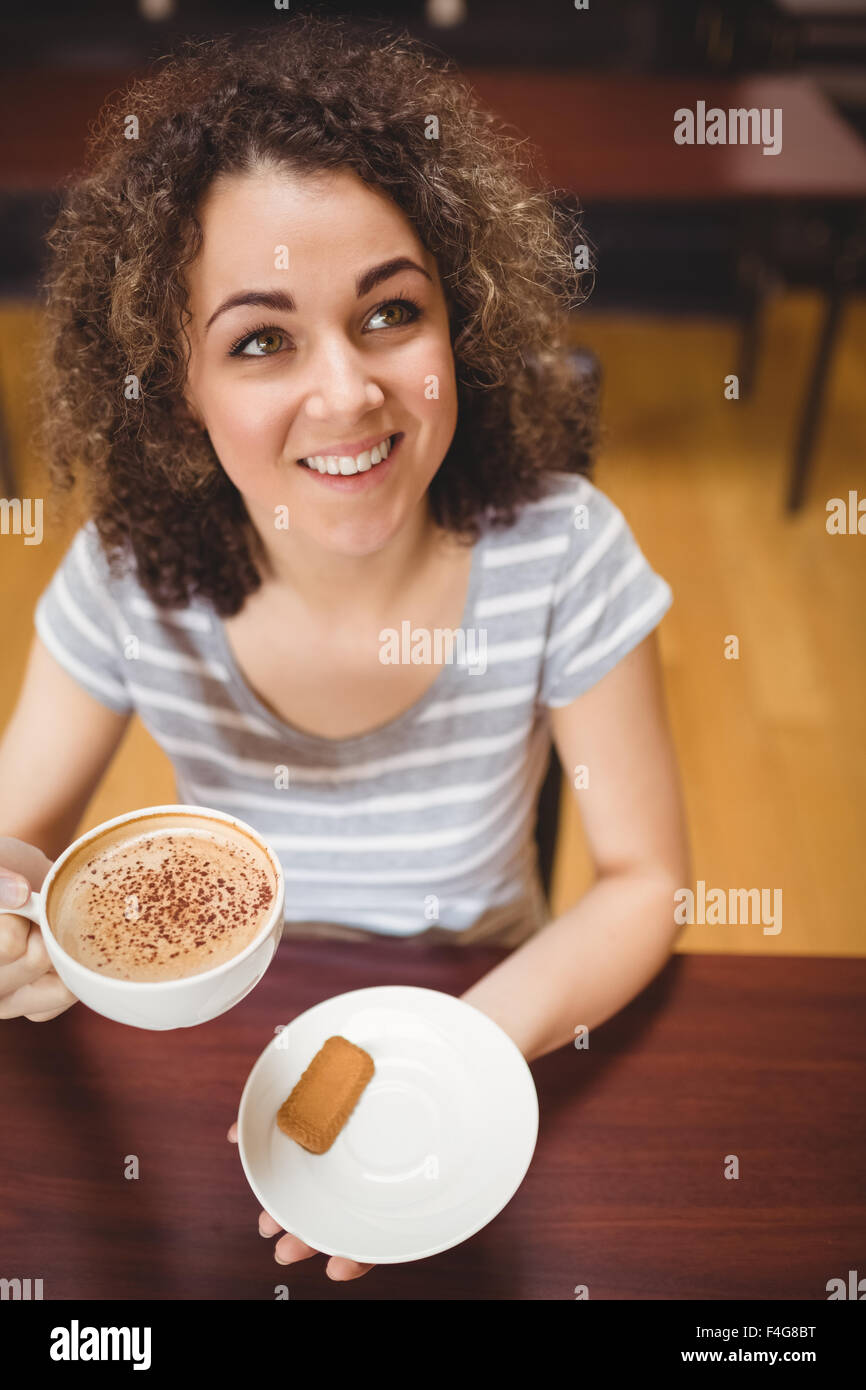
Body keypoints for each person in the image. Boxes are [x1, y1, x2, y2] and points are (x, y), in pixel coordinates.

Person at [0, 15, 690, 1280]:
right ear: (175, 381)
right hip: (214, 1056)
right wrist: (18, 928)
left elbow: (646, 881)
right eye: (260, 339)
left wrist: (452, 1051)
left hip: (492, 1030)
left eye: (389, 313)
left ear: (460, 325)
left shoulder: (561, 554)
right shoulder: (125, 578)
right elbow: (15, 841)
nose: (346, 394)